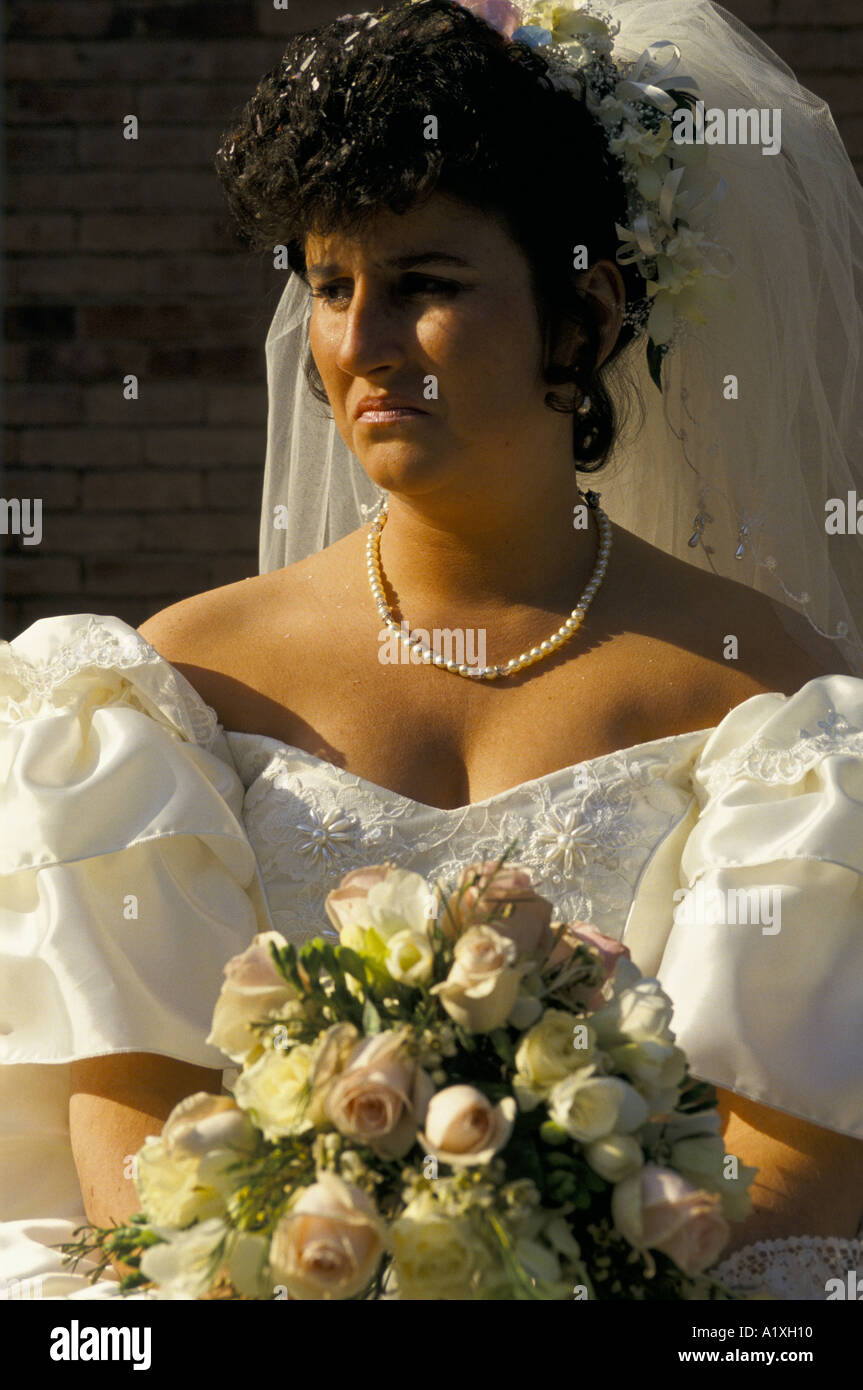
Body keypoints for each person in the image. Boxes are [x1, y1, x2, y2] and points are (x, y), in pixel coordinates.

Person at [1, 0, 862, 1301]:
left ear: (585, 311)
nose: (360, 346)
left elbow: (790, 1160)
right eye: (334, 285)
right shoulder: (162, 695)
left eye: (427, 286)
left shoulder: (786, 716)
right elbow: (139, 1145)